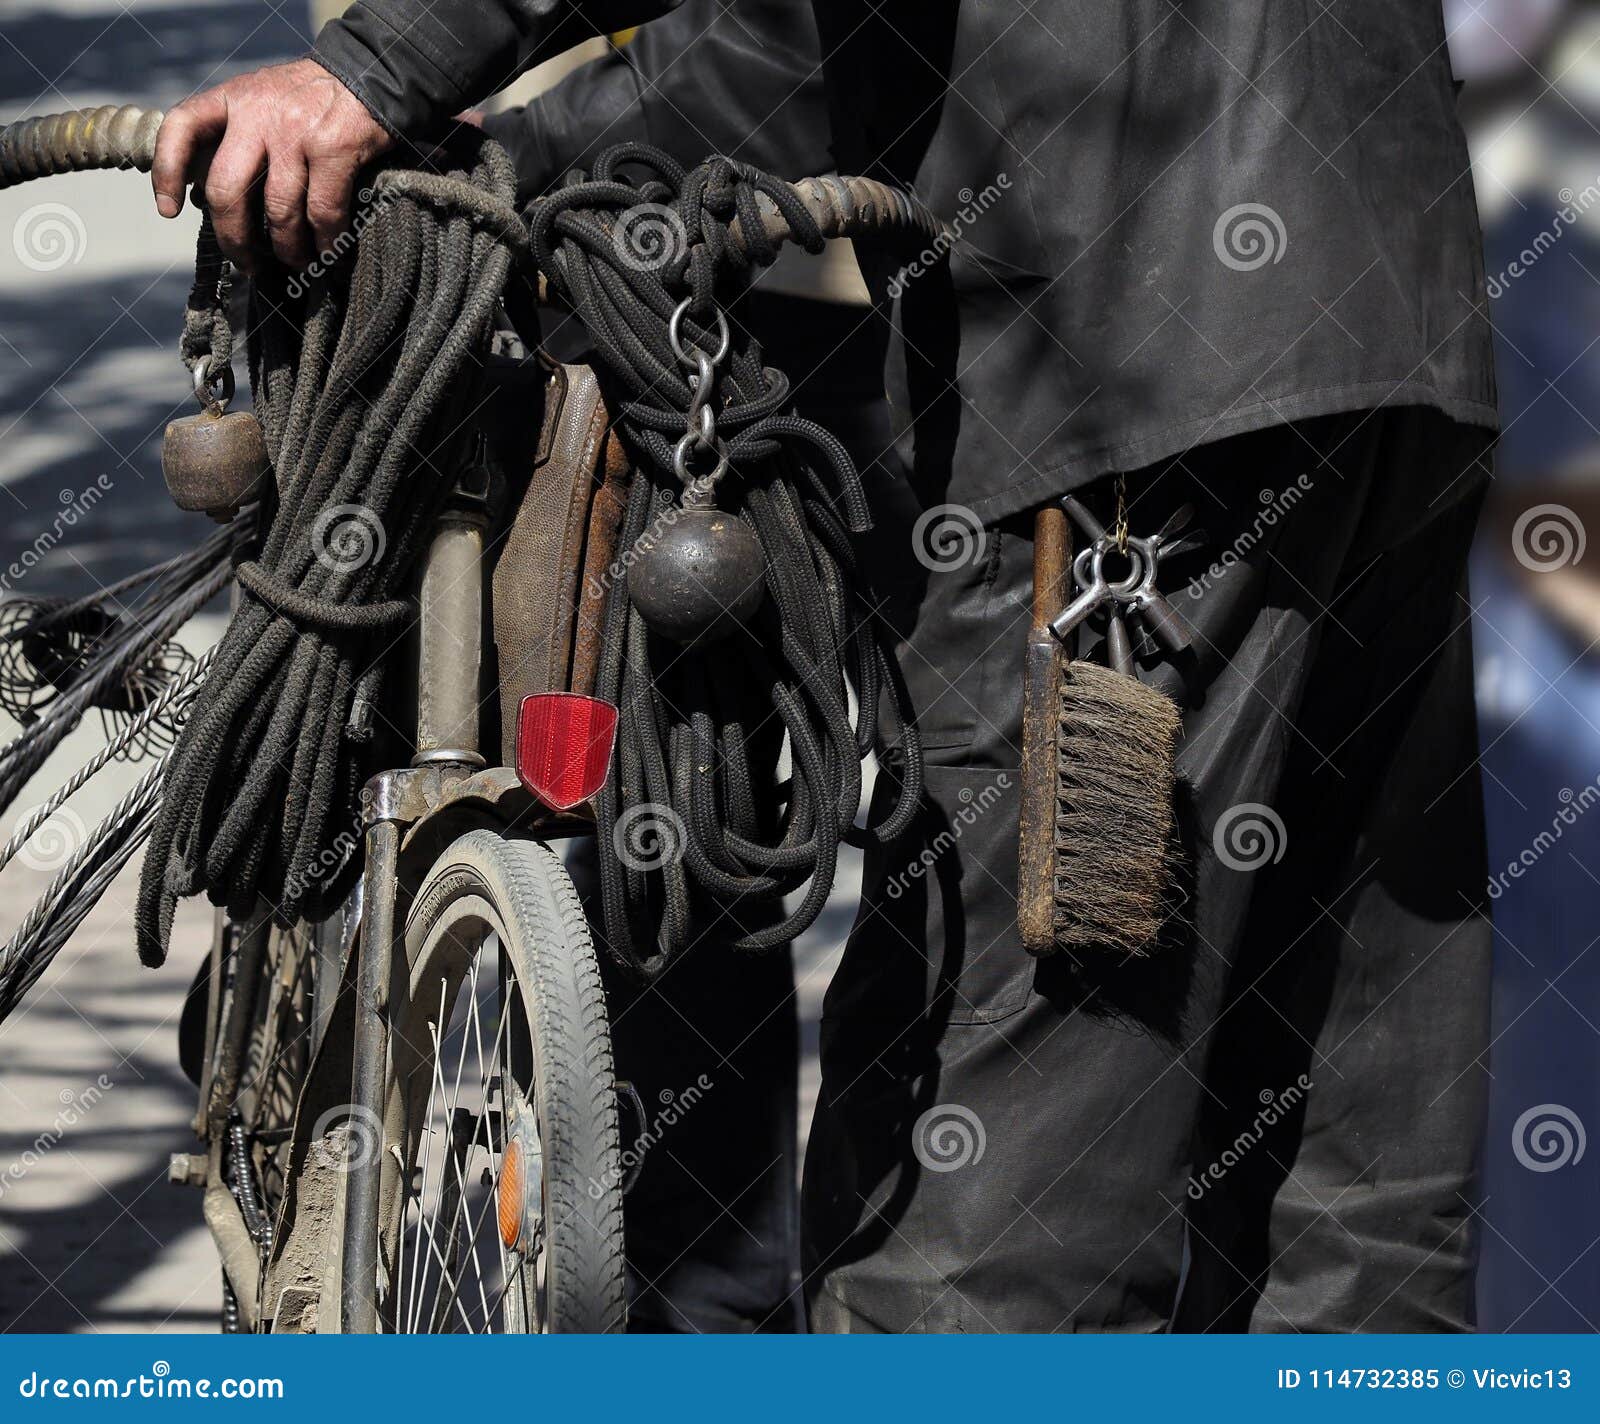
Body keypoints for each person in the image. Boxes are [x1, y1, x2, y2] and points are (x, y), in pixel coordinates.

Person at [152, 3, 1499, 1332]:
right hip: (1393, 336)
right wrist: (517, 154)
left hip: (1129, 380)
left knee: (990, 1197)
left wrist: (375, 73)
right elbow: (814, 32)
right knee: (1347, 1159)